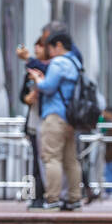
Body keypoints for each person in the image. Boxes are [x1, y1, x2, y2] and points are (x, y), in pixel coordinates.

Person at [28, 30, 84, 211]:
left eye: (50, 48)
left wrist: (38, 79)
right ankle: (74, 198)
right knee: (71, 160)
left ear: (58, 46)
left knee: (51, 158)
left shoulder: (59, 63)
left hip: (55, 115)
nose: (49, 53)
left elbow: (48, 86)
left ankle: (52, 198)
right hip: (70, 119)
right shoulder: (75, 63)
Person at [17, 36, 48, 209]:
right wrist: (28, 98)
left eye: (41, 46)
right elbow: (22, 95)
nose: (37, 48)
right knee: (36, 161)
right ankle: (37, 196)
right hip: (34, 121)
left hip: (48, 120)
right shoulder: (30, 73)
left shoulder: (53, 67)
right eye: (36, 45)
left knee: (49, 160)